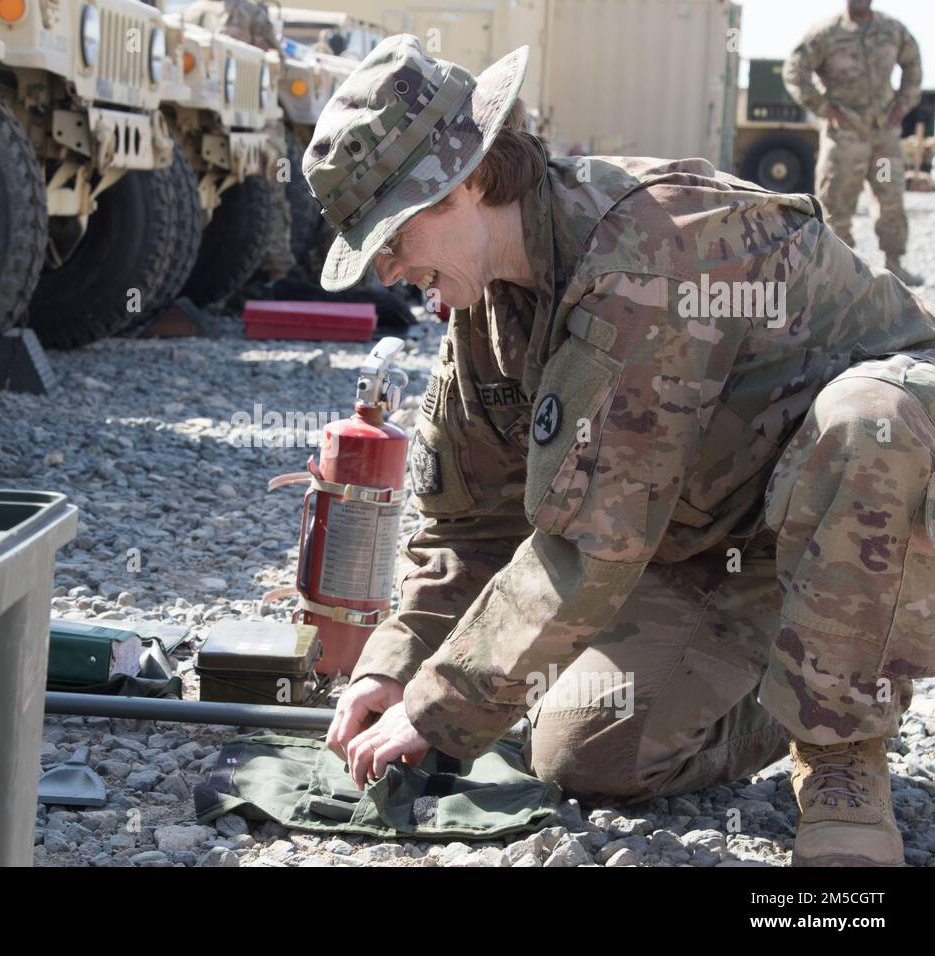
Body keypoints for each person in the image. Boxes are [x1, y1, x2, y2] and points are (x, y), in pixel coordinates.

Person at [303, 33, 935, 866]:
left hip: (876, 510)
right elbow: (467, 523)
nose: (387, 268)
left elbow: (592, 542)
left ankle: (843, 757)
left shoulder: (649, 251)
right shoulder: (489, 306)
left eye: (392, 234)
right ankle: (793, 683)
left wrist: (435, 708)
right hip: (725, 543)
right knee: (584, 753)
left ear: (471, 183)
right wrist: (393, 667)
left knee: (868, 418)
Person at [783, 0, 923, 286]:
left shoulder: (891, 30)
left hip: (883, 136)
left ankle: (895, 265)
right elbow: (795, 71)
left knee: (891, 198)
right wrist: (824, 108)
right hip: (845, 135)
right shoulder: (825, 34)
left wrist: (902, 105)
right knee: (835, 202)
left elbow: (913, 64)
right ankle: (838, 272)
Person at [182, 0, 295, 280]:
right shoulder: (205, 13)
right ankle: (258, 268)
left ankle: (270, 266)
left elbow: (277, 64)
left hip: (236, 108)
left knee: (266, 183)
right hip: (223, 107)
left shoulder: (239, 13)